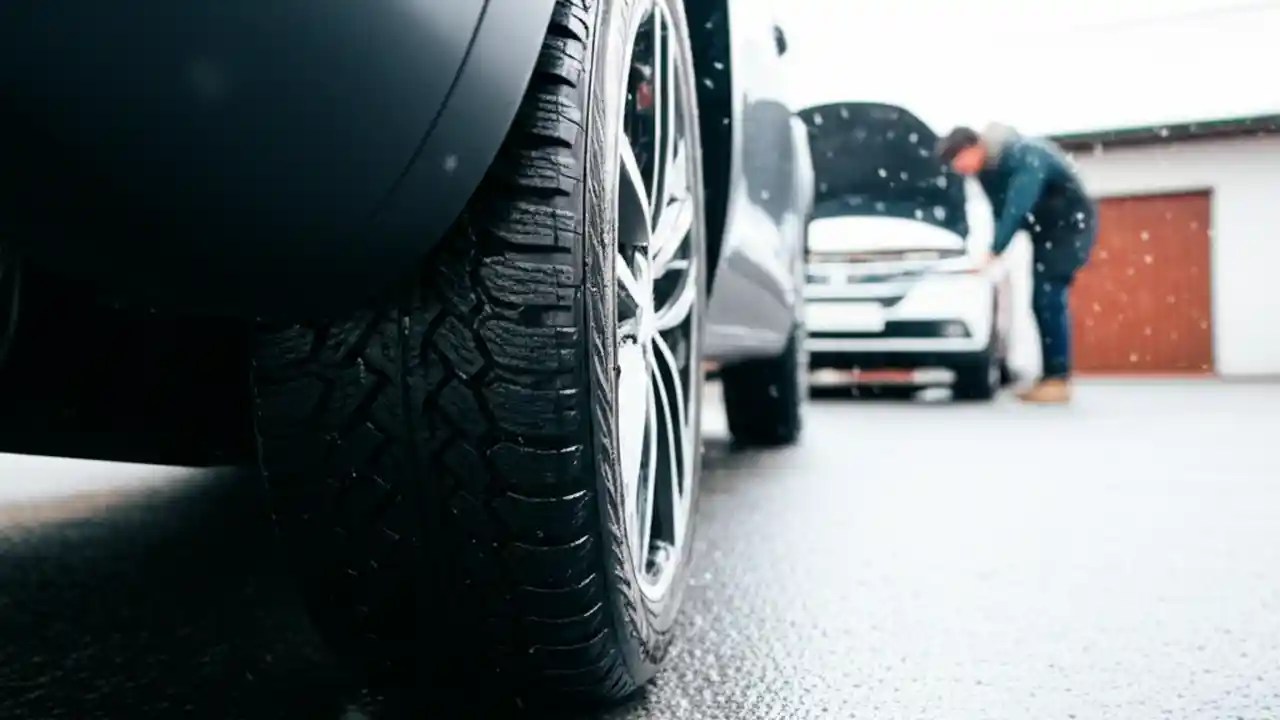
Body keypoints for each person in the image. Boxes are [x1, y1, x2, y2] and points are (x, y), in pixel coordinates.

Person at [936, 123, 1097, 404]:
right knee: (1040, 299)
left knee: (1048, 297)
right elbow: (999, 214)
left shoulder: (1025, 155)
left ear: (974, 147)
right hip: (1045, 231)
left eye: (958, 160)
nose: (959, 169)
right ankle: (1050, 377)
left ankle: (1058, 380)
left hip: (1070, 228)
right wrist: (987, 251)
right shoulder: (984, 173)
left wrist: (995, 250)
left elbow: (1017, 205)